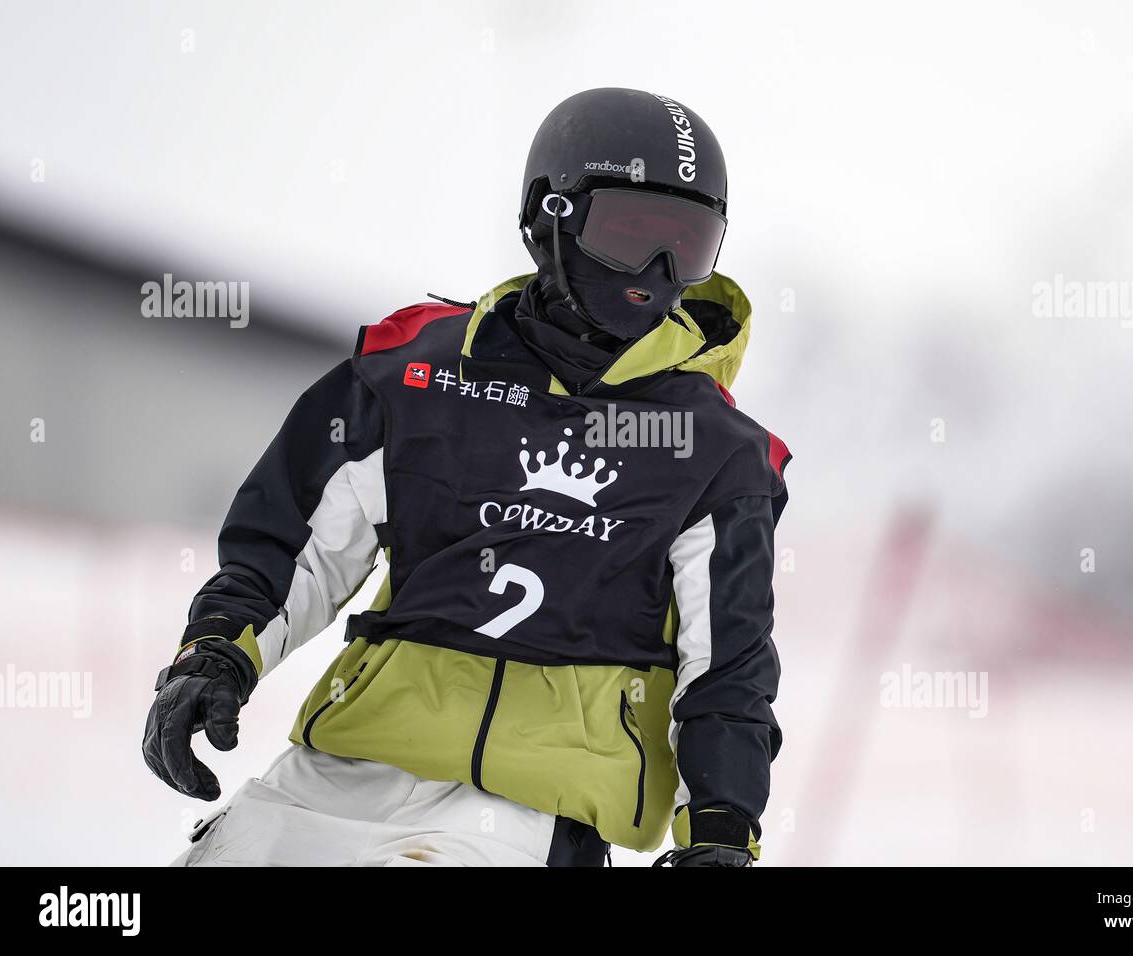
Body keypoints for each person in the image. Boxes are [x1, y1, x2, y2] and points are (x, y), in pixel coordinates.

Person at [142, 88, 792, 867]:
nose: (654, 274)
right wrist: (215, 653)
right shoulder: (415, 375)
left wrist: (719, 830)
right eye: (629, 235)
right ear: (549, 216)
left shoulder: (714, 451)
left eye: (686, 248)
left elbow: (727, 667)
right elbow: (296, 548)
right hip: (342, 771)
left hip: (533, 809)